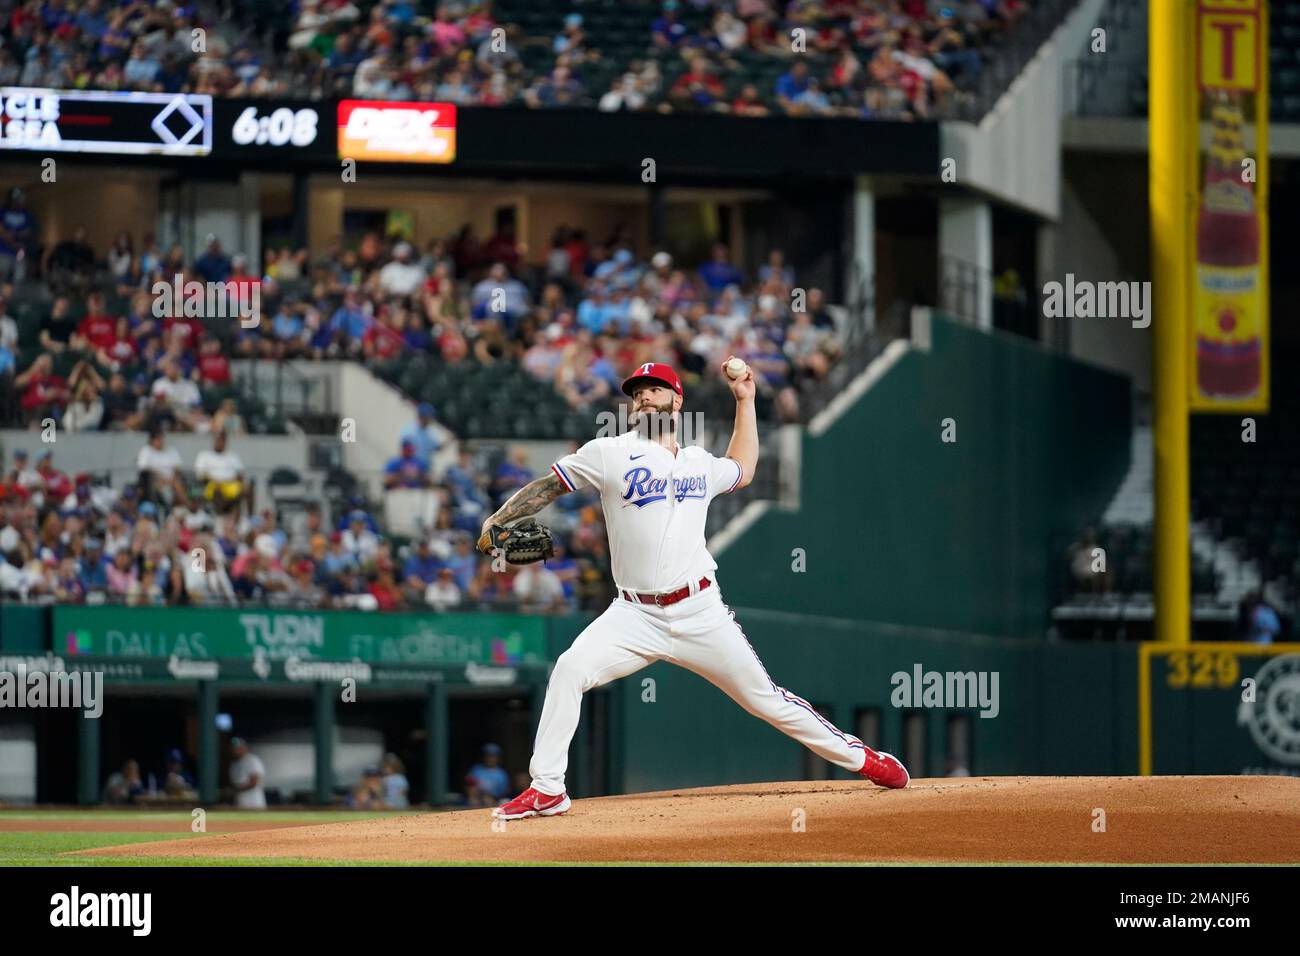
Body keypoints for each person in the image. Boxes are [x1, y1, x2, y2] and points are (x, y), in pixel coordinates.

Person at [478, 359, 908, 819]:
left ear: (677, 400)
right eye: (637, 391)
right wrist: (498, 520)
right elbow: (547, 488)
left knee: (767, 700)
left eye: (655, 389)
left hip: (700, 610)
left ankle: (865, 760)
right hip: (633, 615)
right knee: (569, 669)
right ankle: (547, 788)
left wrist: (745, 401)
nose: (644, 396)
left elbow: (742, 468)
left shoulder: (700, 462)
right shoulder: (607, 452)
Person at [194, 430, 245, 513]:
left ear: (225, 442)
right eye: (217, 440)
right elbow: (200, 474)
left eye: (221, 440)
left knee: (245, 489)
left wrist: (228, 481)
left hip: (230, 484)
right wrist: (215, 481)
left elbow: (240, 475)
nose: (218, 442)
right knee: (218, 490)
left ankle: (248, 518)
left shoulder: (233, 456)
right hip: (211, 485)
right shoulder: (204, 455)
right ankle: (219, 515)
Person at [464, 743, 511, 808]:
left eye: (493, 756)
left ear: (498, 758)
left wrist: (492, 798)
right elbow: (470, 786)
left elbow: (504, 792)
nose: (490, 759)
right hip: (477, 799)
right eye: (488, 755)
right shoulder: (476, 769)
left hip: (494, 800)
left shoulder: (502, 773)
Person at [229, 737, 267, 809]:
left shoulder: (252, 760)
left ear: (244, 747)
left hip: (254, 804)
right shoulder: (233, 764)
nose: (236, 750)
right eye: (234, 748)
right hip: (239, 803)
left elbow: (254, 782)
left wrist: (235, 789)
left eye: (239, 747)